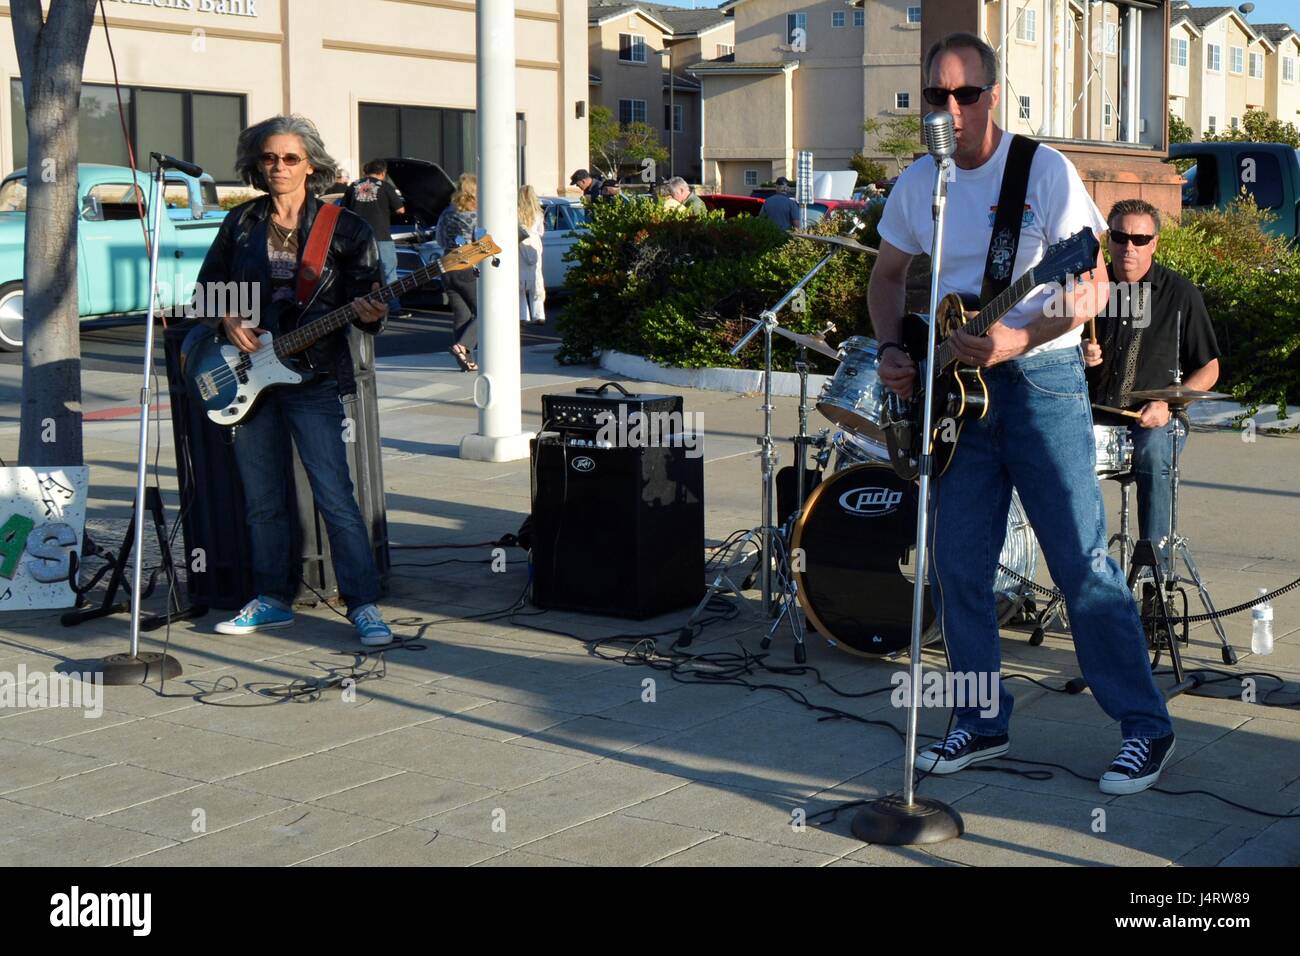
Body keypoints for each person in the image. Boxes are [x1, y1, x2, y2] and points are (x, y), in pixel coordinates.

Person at [870, 32, 1176, 795]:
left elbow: (1092, 287)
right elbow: (887, 275)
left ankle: (1145, 726)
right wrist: (890, 348)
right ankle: (979, 718)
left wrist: (1020, 334)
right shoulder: (921, 182)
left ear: (992, 95)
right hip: (958, 397)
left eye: (965, 95)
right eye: (936, 97)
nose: (951, 109)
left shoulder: (1041, 171)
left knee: (1081, 563)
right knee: (957, 564)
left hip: (1041, 384)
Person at [192, 114, 393, 646]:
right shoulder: (242, 224)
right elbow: (206, 289)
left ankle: (364, 604)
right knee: (262, 500)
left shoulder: (345, 227)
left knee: (336, 497)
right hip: (250, 379)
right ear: (256, 165)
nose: (278, 167)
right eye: (269, 158)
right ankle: (272, 599)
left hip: (316, 377)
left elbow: (370, 301)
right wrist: (229, 319)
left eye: (290, 158)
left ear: (311, 166)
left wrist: (371, 312)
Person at [1083, 198, 1221, 565]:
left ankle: (1154, 579)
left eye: (1140, 240)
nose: (1129, 246)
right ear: (1107, 240)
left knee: (1153, 451)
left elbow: (1210, 368)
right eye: (1120, 237)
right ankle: (1078, 571)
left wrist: (1170, 406)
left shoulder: (1180, 294)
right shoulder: (1085, 290)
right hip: (1092, 414)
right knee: (1033, 448)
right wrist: (1077, 354)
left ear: (1155, 243)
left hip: (1156, 419)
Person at [343, 159, 407, 318]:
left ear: (366, 171)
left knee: (359, 272)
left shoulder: (353, 186)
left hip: (357, 237)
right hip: (381, 236)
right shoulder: (385, 187)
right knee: (388, 272)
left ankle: (356, 306)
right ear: (383, 173)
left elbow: (344, 210)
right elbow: (401, 210)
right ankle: (393, 307)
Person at [436, 173, 479, 371]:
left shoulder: (448, 212)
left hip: (447, 264)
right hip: (468, 264)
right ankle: (464, 346)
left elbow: (439, 239)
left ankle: (465, 360)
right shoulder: (477, 213)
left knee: (461, 314)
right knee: (485, 312)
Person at [518, 185, 546, 324]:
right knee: (536, 278)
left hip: (520, 243)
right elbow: (541, 231)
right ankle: (539, 314)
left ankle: (523, 315)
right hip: (534, 243)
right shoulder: (538, 213)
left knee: (520, 281)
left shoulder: (516, 212)